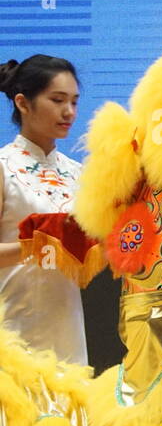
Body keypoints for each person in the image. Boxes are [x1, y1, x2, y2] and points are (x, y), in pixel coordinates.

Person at [0, 55, 86, 364]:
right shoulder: (3, 166)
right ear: (23, 103)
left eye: (75, 102)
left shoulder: (79, 173)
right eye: (57, 100)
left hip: (66, 324)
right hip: (12, 324)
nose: (69, 112)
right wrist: (37, 244)